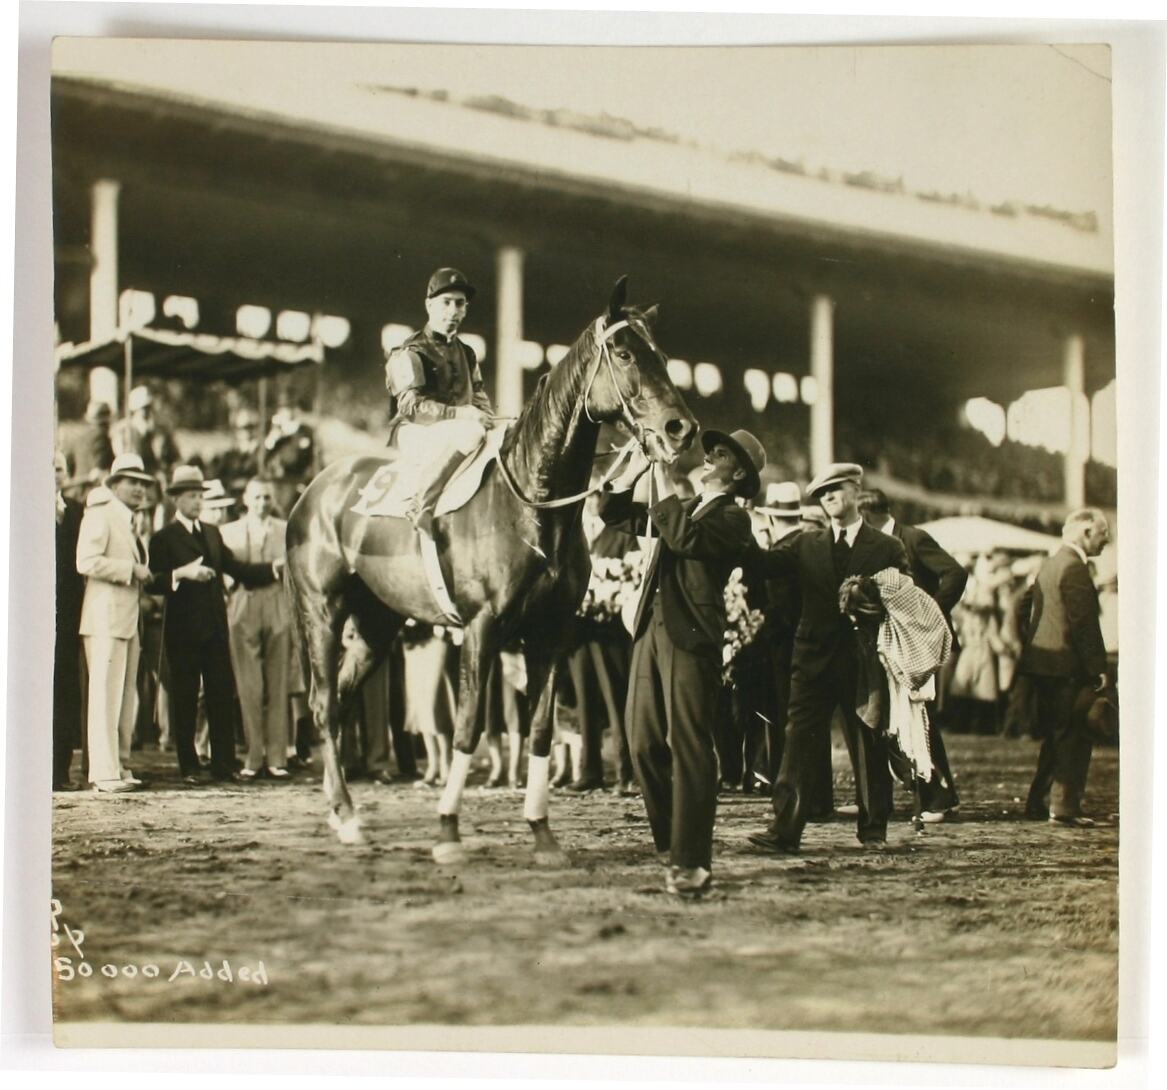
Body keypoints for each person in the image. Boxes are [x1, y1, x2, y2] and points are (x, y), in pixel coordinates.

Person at [600, 428, 765, 897]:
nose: (709, 457)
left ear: (737, 475)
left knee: (690, 746)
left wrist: (665, 476)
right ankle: (670, 841)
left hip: (692, 638)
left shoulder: (734, 519)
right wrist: (636, 468)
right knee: (642, 743)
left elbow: (686, 538)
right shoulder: (685, 507)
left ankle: (692, 860)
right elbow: (612, 514)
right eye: (710, 451)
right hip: (651, 631)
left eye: (721, 455)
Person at [747, 463, 909, 855]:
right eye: (822, 493)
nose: (829, 497)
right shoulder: (806, 543)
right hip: (812, 658)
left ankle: (873, 830)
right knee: (798, 741)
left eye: (836, 489)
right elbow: (762, 565)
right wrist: (746, 526)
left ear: (856, 491)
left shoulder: (887, 548)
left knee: (867, 741)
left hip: (863, 662)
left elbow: (904, 601)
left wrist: (873, 606)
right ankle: (785, 830)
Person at [147, 466, 282, 784]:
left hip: (216, 629)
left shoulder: (211, 532)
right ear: (177, 500)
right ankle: (190, 766)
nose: (197, 502)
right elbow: (152, 582)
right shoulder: (164, 538)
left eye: (199, 496)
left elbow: (236, 567)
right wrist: (182, 574)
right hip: (183, 631)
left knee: (221, 695)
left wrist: (272, 569)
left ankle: (223, 764)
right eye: (191, 496)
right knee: (185, 698)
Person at [858, 487, 968, 821]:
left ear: (868, 515)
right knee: (903, 719)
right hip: (893, 645)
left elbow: (956, 573)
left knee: (918, 719)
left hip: (920, 645)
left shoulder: (913, 538)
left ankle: (937, 797)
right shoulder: (883, 542)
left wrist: (928, 612)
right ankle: (929, 794)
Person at [1019, 508, 1111, 827]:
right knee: (1072, 734)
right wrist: (1098, 666)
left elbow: (1024, 604)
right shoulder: (1074, 568)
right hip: (1067, 665)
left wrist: (1034, 642)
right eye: (1102, 533)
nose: (1107, 540)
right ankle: (1063, 808)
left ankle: (1039, 803)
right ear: (1085, 533)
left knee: (1056, 735)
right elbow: (1083, 623)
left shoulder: (1051, 562)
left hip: (1044, 664)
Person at [383, 267, 493, 536]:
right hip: (414, 431)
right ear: (429, 305)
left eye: (460, 304)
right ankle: (422, 504)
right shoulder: (410, 351)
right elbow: (410, 407)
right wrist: (461, 415)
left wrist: (492, 418)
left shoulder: (467, 353)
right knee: (472, 431)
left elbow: (478, 396)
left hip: (456, 433)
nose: (453, 311)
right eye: (446, 303)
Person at [75, 452, 157, 793]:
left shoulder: (130, 522)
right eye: (132, 482)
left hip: (126, 619)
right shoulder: (100, 515)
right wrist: (130, 571)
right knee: (105, 696)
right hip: (105, 618)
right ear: (115, 485)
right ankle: (103, 772)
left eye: (143, 483)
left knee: (126, 697)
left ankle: (120, 764)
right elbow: (86, 561)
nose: (139, 489)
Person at [219, 478, 294, 782]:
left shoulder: (286, 528)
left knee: (277, 683)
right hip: (244, 604)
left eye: (267, 497)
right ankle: (253, 755)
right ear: (246, 500)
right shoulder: (229, 531)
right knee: (249, 685)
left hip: (276, 604)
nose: (263, 502)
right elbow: (227, 570)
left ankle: (277, 758)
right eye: (257, 497)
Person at [54, 450, 86, 789]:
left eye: (60, 468)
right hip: (34, 616)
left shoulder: (77, 511)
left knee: (64, 690)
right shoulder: (21, 505)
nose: (54, 473)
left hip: (69, 614)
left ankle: (60, 772)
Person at [114, 385, 181, 482]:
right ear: (134, 409)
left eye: (148, 407)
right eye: (142, 408)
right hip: (134, 477)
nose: (146, 411)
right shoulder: (124, 431)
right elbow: (119, 458)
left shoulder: (161, 431)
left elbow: (175, 457)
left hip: (157, 479)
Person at [66, 399, 115, 493]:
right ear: (107, 421)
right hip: (93, 493)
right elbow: (100, 471)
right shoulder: (102, 437)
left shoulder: (78, 438)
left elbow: (68, 466)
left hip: (75, 492)